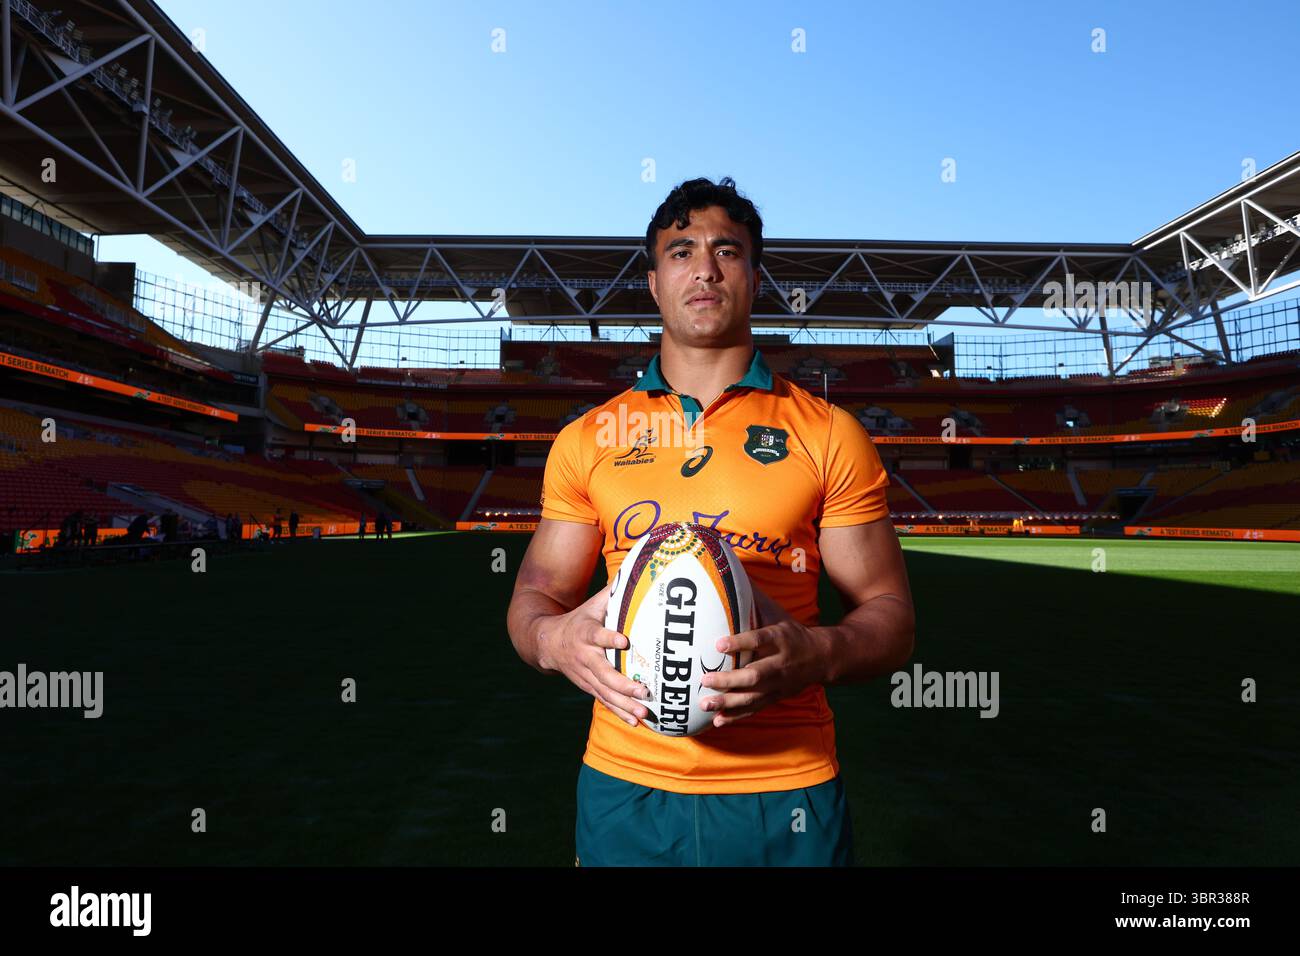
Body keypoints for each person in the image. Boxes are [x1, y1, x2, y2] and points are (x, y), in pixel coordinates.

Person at [506, 177, 915, 867]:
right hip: (625, 787)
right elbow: (532, 597)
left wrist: (819, 653)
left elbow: (891, 615)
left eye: (727, 251)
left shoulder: (829, 433)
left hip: (785, 790)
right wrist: (552, 639)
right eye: (680, 251)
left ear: (756, 277)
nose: (704, 267)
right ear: (654, 282)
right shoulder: (587, 438)